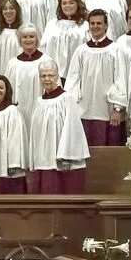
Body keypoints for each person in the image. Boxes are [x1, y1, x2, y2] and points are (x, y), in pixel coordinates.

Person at [65, 9, 127, 146]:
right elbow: (73, 80)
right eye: (92, 23)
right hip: (84, 111)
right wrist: (71, 106)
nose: (95, 26)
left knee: (108, 153)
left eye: (99, 23)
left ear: (106, 25)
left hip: (108, 111)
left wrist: (117, 109)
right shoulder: (81, 50)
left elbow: (121, 79)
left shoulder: (115, 49)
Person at [28, 59, 90, 194]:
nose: (47, 79)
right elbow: (35, 132)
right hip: (43, 159)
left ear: (57, 76)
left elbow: (72, 128)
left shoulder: (66, 98)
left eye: (50, 75)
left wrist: (66, 155)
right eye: (43, 76)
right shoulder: (39, 101)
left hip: (62, 162)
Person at [40, 0, 88, 79]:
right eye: (64, 3)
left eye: (71, 3)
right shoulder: (52, 24)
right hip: (53, 75)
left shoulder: (85, 26)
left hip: (77, 74)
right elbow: (43, 47)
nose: (67, 6)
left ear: (78, 4)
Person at [5, 24, 46, 123]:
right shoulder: (12, 64)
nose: (28, 40)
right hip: (18, 110)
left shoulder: (46, 62)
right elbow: (7, 91)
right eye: (24, 37)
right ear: (20, 40)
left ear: (37, 39)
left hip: (39, 111)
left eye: (32, 36)